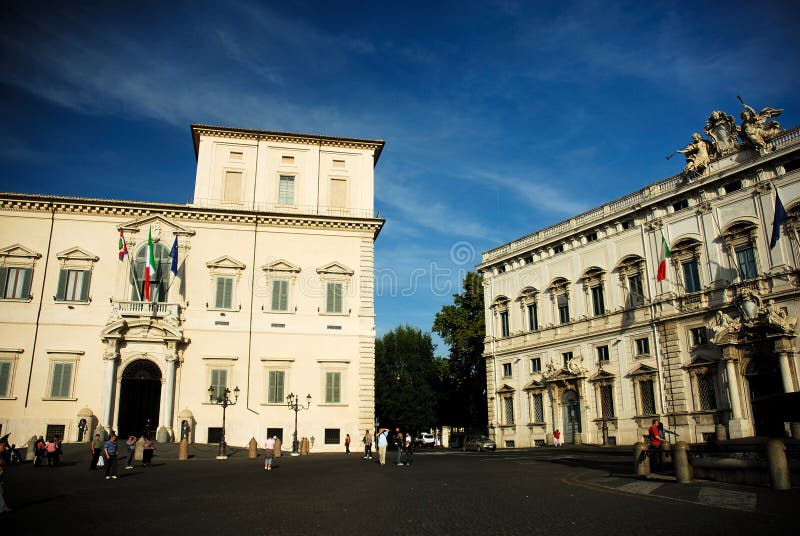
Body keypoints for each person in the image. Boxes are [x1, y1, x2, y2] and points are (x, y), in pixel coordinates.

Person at [0, 438, 10, 513]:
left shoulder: (1, 454)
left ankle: (3, 507)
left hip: (0, 475)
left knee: (1, 491)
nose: (4, 447)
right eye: (3, 446)